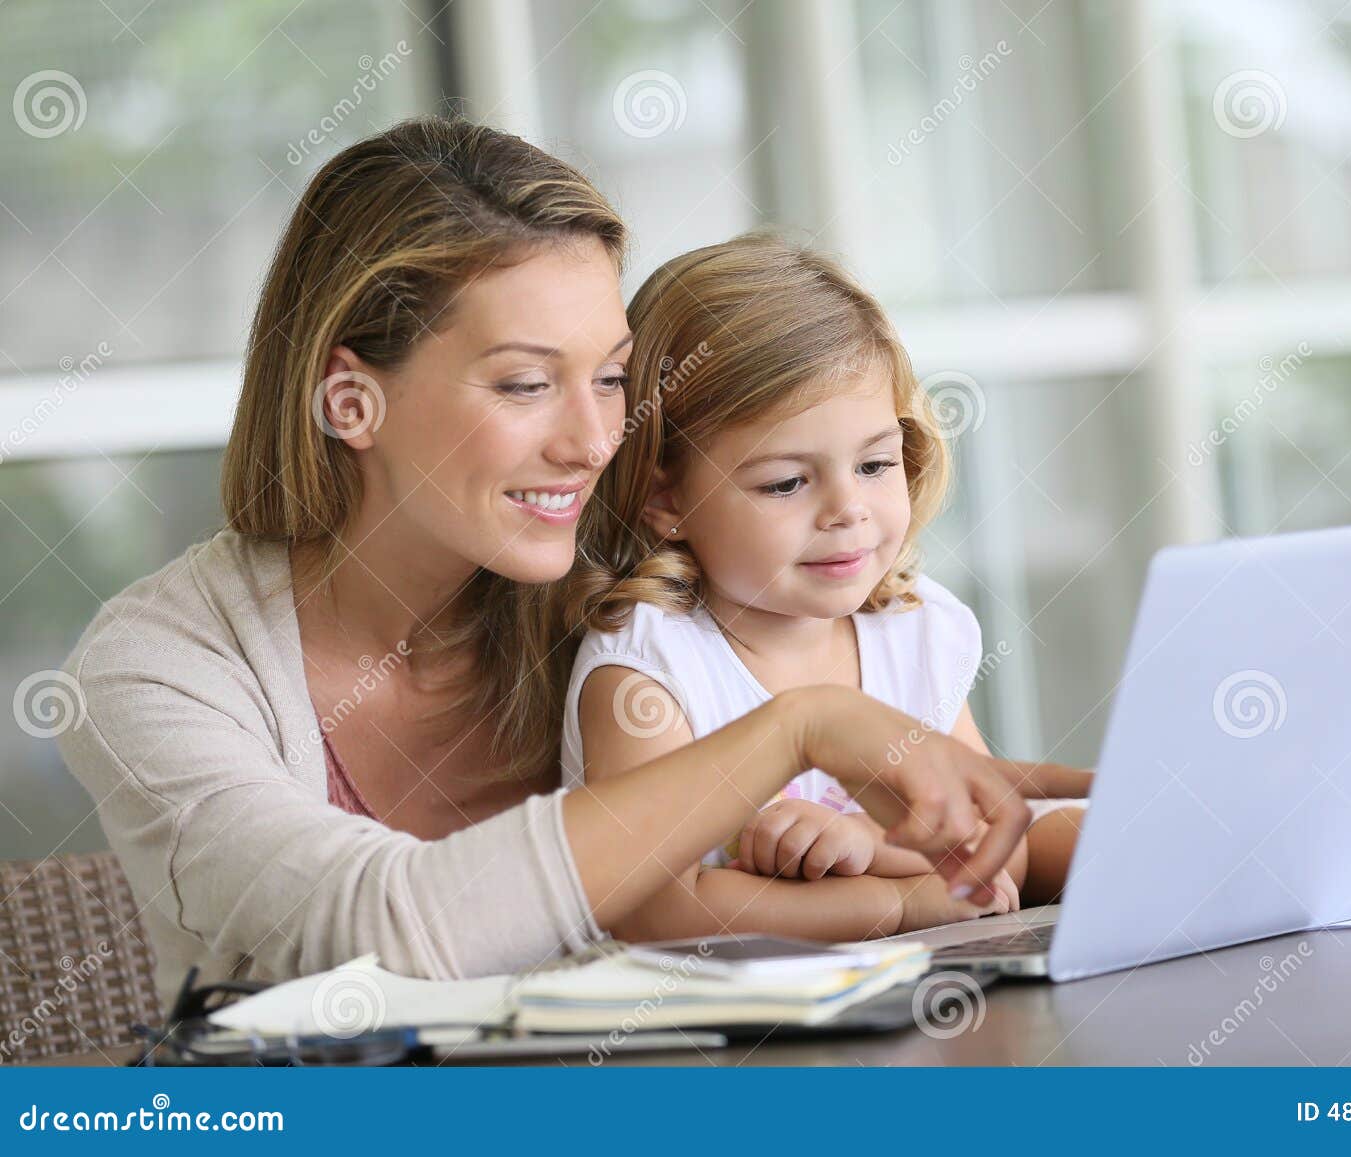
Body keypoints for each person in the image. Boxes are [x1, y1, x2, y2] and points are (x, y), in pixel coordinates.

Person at [56, 118, 1084, 1007]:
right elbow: (383, 922)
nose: (596, 439)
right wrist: (795, 731)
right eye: (523, 385)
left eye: (609, 378)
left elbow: (925, 829)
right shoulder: (164, 666)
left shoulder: (630, 606)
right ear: (349, 398)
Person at [556, 233, 1090, 943]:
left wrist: (867, 845)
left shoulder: (915, 628)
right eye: (786, 482)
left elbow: (996, 842)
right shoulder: (647, 669)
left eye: (874, 464)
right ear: (666, 499)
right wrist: (893, 906)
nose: (847, 509)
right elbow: (648, 909)